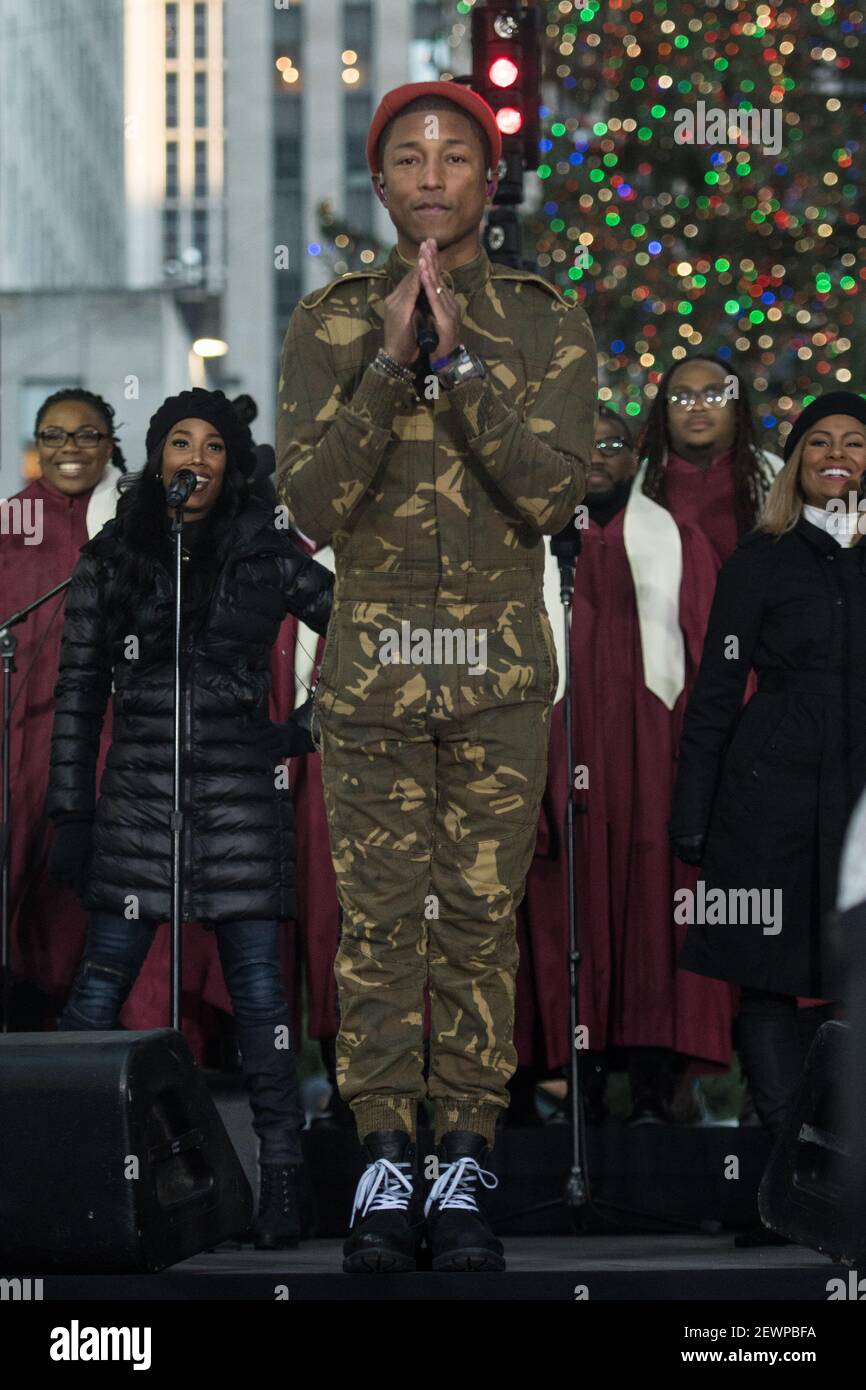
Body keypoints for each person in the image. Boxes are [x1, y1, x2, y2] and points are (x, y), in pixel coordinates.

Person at [276, 81, 596, 1273]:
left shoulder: (543, 319)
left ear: (486, 180)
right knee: (377, 928)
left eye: (453, 155)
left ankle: (461, 1155)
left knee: (472, 922)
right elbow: (308, 501)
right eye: (406, 155)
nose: (429, 173)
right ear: (380, 180)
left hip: (498, 677)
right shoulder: (328, 319)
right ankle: (378, 1160)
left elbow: (553, 490)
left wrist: (459, 369)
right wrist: (387, 365)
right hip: (368, 679)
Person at [46, 388, 333, 1249]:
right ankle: (56, 1171)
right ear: (159, 458)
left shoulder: (263, 548)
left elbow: (358, 630)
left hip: (241, 800)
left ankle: (282, 1180)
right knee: (96, 995)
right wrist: (74, 812)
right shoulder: (117, 552)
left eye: (214, 446)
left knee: (259, 1000)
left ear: (231, 464)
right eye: (181, 442)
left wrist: (302, 729)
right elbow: (78, 693)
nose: (196, 459)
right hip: (139, 799)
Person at [670, 391, 866, 1242]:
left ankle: (844, 1173)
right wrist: (693, 813)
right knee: (768, 974)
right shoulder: (760, 559)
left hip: (863, 796)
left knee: (853, 973)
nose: (837, 455)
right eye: (818, 441)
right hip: (768, 789)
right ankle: (785, 1173)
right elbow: (715, 692)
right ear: (794, 461)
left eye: (856, 443)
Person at [520, 408, 731, 1126]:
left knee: (649, 923)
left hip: (651, 771)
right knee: (563, 917)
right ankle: (573, 1096)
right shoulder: (529, 551)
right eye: (581, 443)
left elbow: (711, 674)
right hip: (554, 761)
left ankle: (651, 1095)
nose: (597, 456)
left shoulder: (680, 542)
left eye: (611, 442)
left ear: (636, 453)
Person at [0, 389, 123, 1025]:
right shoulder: (8, 523)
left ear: (110, 444)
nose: (69, 448)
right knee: (23, 875)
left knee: (97, 877)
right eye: (53, 435)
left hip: (106, 732)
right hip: (22, 735)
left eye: (86, 434)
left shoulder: (133, 520)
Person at [638, 354, 782, 564]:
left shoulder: (776, 477)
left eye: (714, 395)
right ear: (665, 413)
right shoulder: (640, 485)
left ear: (737, 410)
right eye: (681, 397)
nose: (697, 406)